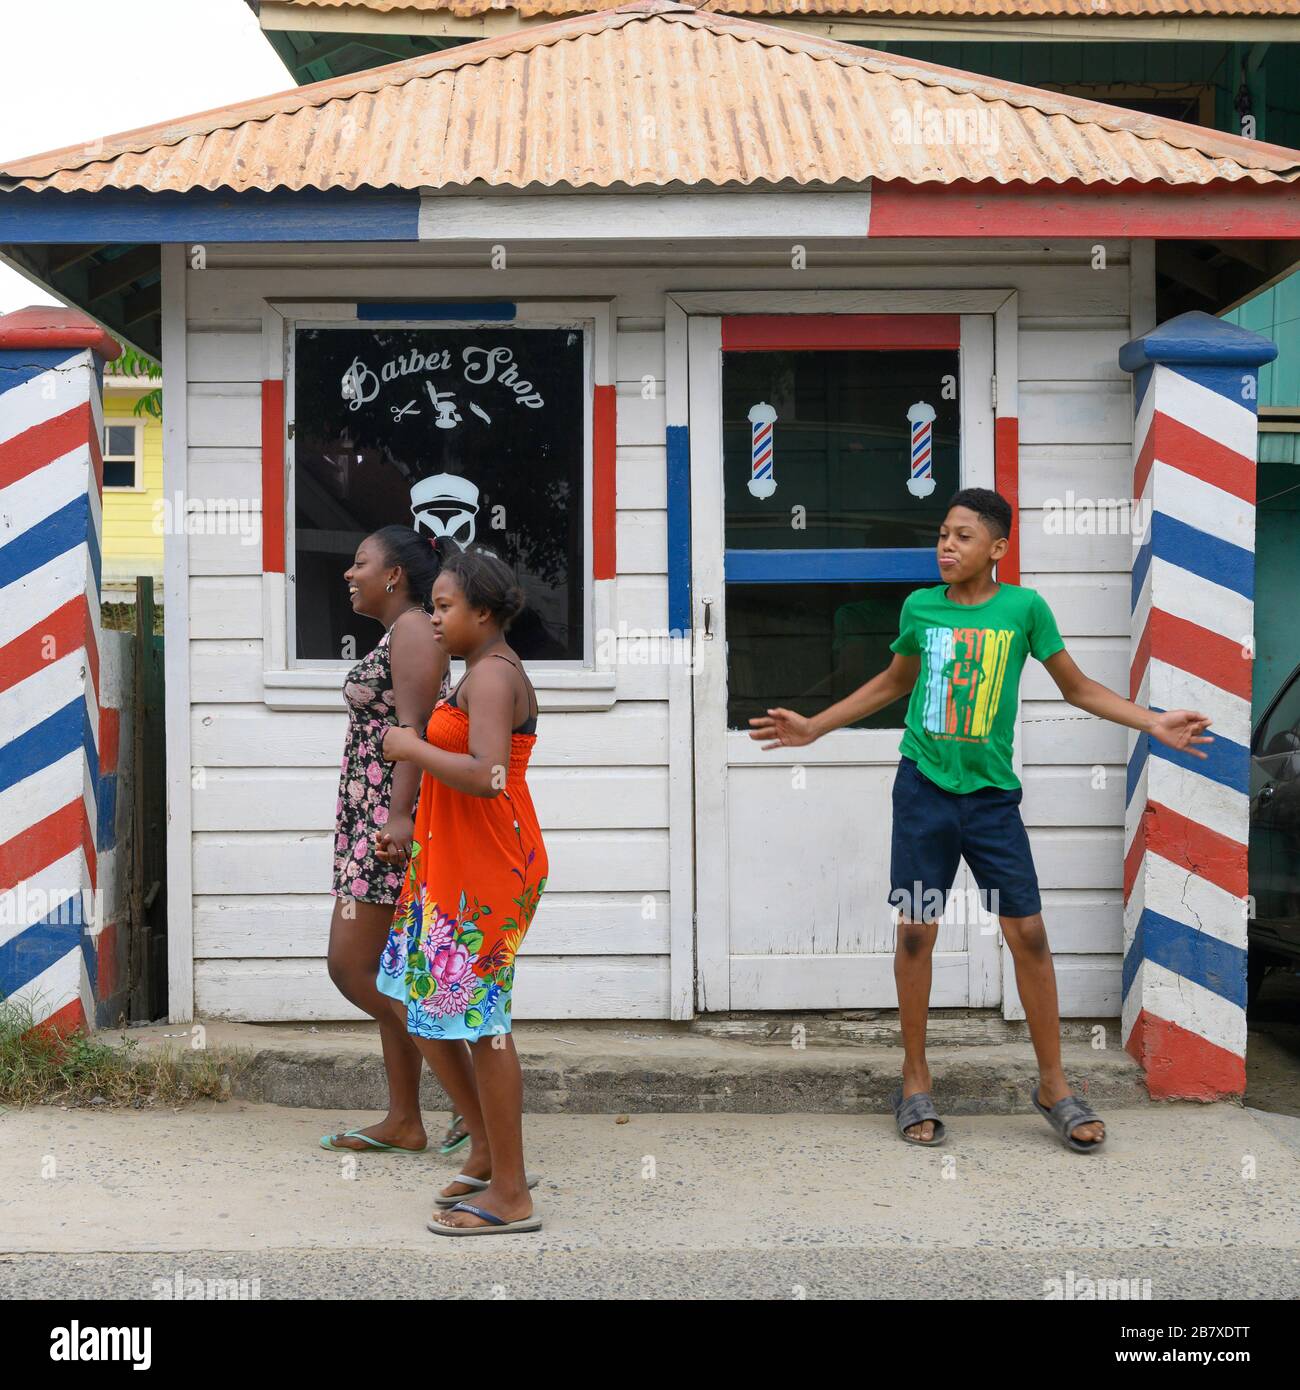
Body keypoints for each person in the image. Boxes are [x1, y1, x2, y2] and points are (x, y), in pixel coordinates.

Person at [749, 488, 1214, 1154]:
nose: (946, 545)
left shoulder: (1024, 610)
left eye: (963, 536)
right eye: (942, 533)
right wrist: (815, 727)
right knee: (916, 933)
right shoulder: (920, 607)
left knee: (1028, 933)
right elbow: (892, 681)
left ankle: (1054, 1085)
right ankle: (915, 1078)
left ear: (997, 549)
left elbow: (1076, 688)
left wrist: (1153, 721)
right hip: (923, 795)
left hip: (992, 801)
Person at [379, 547, 548, 1234]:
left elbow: (487, 776)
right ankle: (483, 1148)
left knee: (484, 1027)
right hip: (448, 864)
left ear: (484, 611)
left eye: (445, 606)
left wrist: (409, 747)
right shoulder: (478, 671)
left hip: (487, 874)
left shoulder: (493, 677)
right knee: (412, 996)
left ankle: (510, 1193)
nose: (434, 618)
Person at [320, 527, 450, 1154]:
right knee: (391, 975)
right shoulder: (400, 633)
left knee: (351, 965)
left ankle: (476, 1097)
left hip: (391, 826)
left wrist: (397, 819)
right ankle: (405, 1119)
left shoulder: (416, 632)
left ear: (394, 574)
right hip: (371, 819)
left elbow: (415, 733)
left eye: (360, 563)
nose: (349, 573)